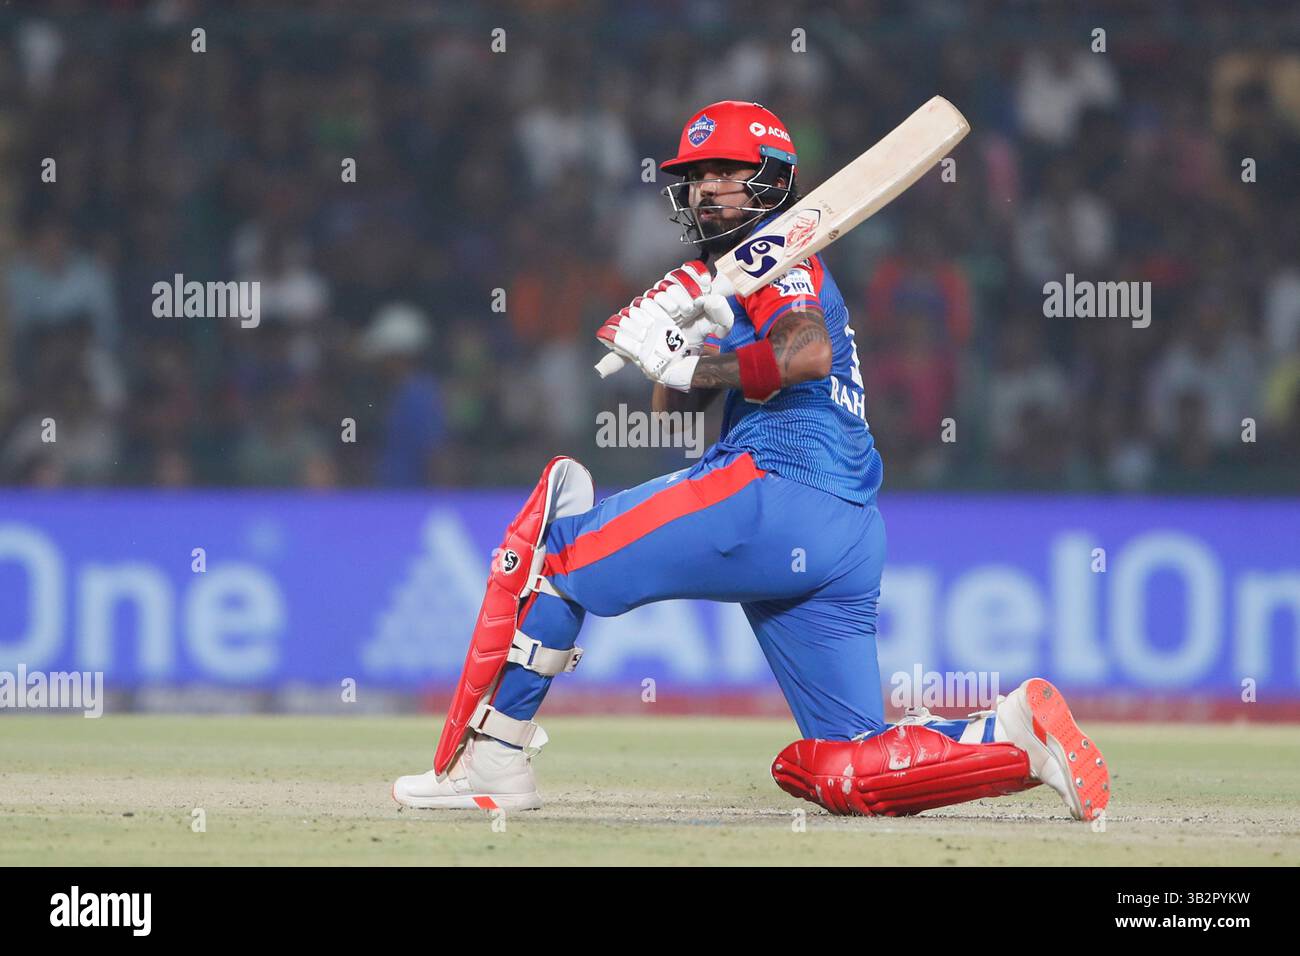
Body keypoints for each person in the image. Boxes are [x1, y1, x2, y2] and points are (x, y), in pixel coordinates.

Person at [393, 102, 1109, 822]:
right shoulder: (728, 280)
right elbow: (677, 416)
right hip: (845, 529)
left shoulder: (779, 256)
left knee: (560, 555)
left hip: (776, 488)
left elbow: (805, 355)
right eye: (696, 175)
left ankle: (495, 765)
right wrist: (677, 348)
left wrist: (697, 360)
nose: (706, 188)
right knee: (849, 765)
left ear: (771, 181)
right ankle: (1013, 735)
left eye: (724, 172)